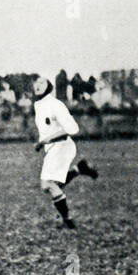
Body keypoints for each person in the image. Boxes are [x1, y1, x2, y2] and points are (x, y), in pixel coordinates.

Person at [32, 76, 98, 229]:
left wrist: (45, 141)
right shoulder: (39, 105)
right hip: (53, 148)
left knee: (48, 184)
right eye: (36, 82)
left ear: (49, 86)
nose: (38, 85)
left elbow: (72, 129)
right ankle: (79, 169)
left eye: (42, 82)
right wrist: (42, 143)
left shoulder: (56, 104)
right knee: (51, 185)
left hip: (62, 147)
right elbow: (49, 129)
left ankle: (68, 219)